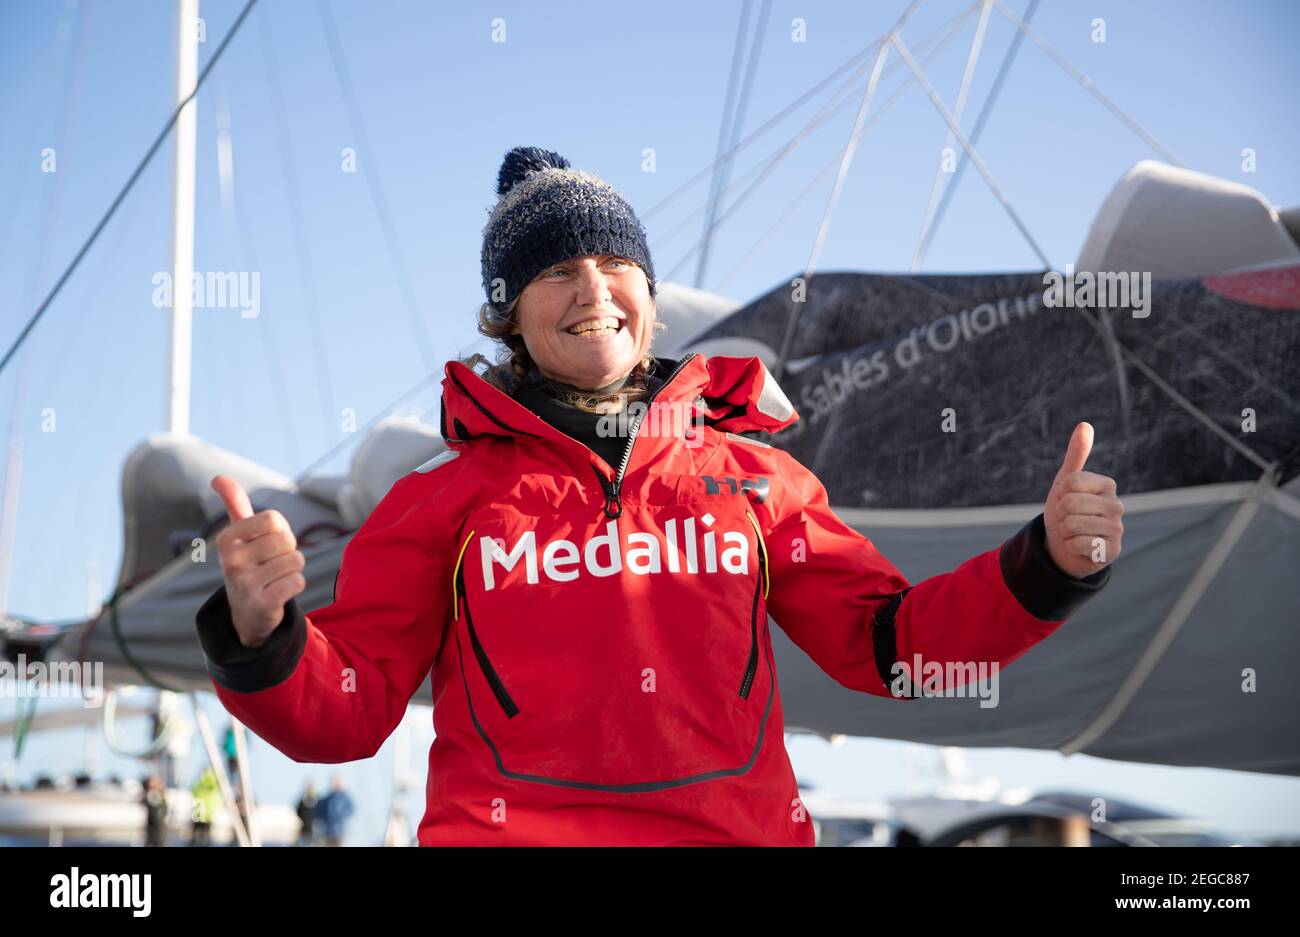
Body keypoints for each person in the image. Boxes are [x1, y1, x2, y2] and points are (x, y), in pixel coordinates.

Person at [194, 145, 1124, 846]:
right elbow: (345, 712)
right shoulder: (440, 501)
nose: (592, 288)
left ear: (648, 294)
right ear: (508, 315)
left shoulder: (756, 481)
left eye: (614, 267)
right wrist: (260, 630)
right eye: (557, 271)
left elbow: (896, 646)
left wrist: (1042, 565)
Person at [315, 775, 354, 847]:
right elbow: (318, 812)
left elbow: (351, 810)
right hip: (326, 830)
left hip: (338, 830)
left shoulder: (344, 797)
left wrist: (341, 816)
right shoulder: (327, 797)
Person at [189, 767, 219, 847]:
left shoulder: (201, 782)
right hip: (203, 812)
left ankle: (195, 843)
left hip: (201, 811)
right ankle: (199, 843)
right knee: (202, 833)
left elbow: (194, 790)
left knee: (198, 833)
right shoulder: (211, 782)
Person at [142, 773, 169, 847]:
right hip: (155, 832)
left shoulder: (157, 795)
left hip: (158, 832)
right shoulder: (152, 796)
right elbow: (156, 816)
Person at [295, 781, 320, 847]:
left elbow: (320, 813)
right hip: (305, 829)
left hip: (316, 830)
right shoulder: (302, 801)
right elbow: (298, 812)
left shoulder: (318, 800)